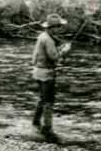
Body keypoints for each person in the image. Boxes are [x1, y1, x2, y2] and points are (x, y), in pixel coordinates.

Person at [30, 14, 71, 142]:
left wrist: (58, 49)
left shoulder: (42, 36)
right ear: (52, 27)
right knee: (48, 100)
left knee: (42, 99)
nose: (60, 29)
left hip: (37, 71)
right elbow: (53, 57)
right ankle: (48, 129)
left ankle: (36, 123)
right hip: (45, 74)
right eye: (58, 27)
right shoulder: (48, 40)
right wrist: (65, 50)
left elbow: (47, 53)